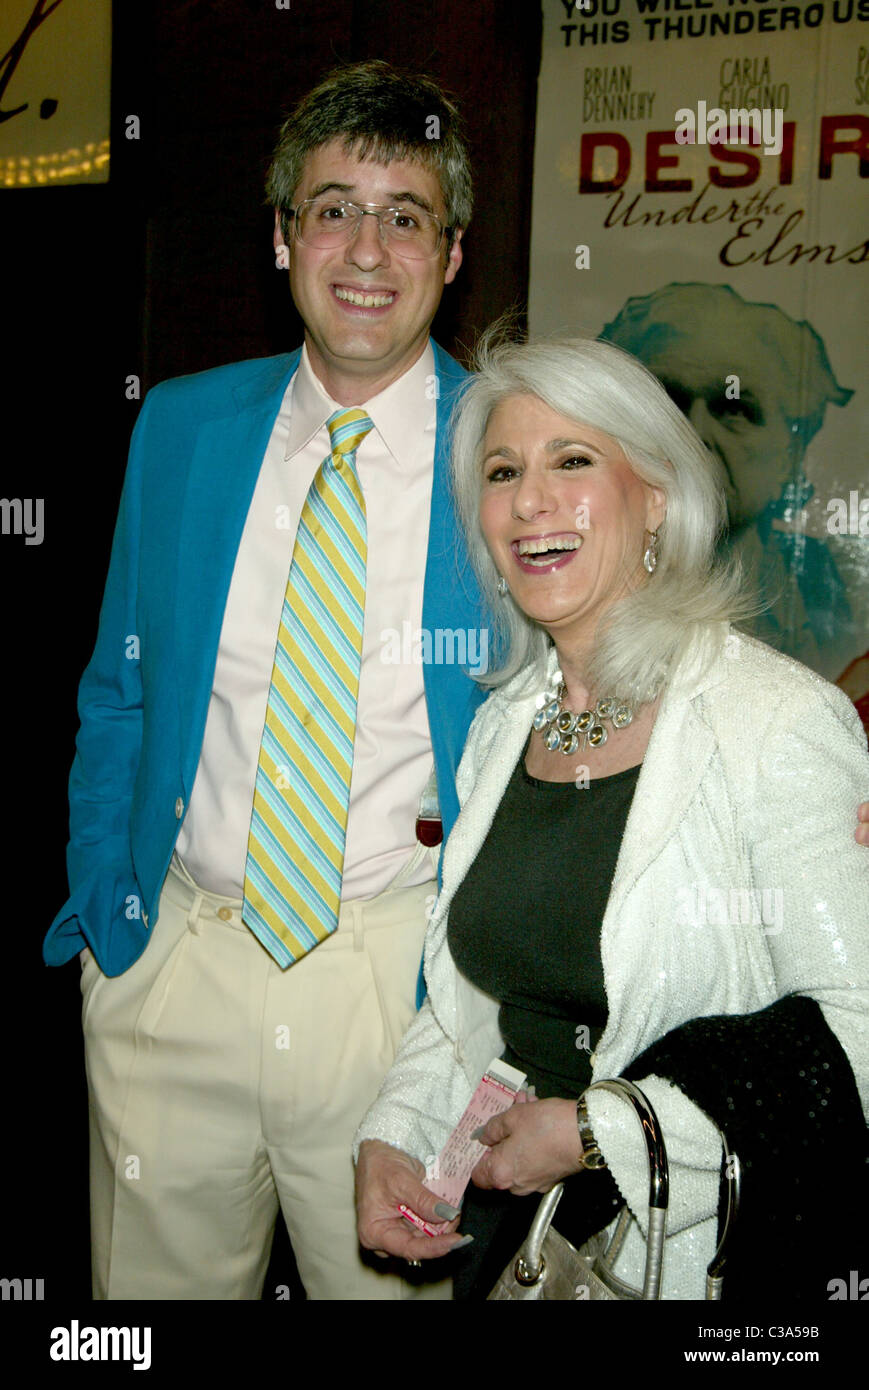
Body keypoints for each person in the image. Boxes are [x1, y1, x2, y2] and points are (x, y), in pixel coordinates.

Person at [44, 60, 487, 1300]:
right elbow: (117, 690)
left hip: (396, 996)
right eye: (334, 206)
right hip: (176, 965)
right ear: (283, 234)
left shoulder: (512, 446)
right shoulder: (180, 427)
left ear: (449, 257)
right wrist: (110, 924)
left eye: (406, 215)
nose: (366, 247)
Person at [354, 332, 869, 1300]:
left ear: (657, 500)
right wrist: (395, 1138)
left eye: (573, 460)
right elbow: (477, 1001)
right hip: (504, 1236)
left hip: (683, 1253)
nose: (530, 499)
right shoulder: (504, 723)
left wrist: (598, 1134)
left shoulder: (774, 721)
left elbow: (858, 1036)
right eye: (502, 472)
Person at [601, 282, 856, 678]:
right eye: (669, 404)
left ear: (790, 456)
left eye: (735, 409)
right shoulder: (574, 580)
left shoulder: (833, 592)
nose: (693, 433)